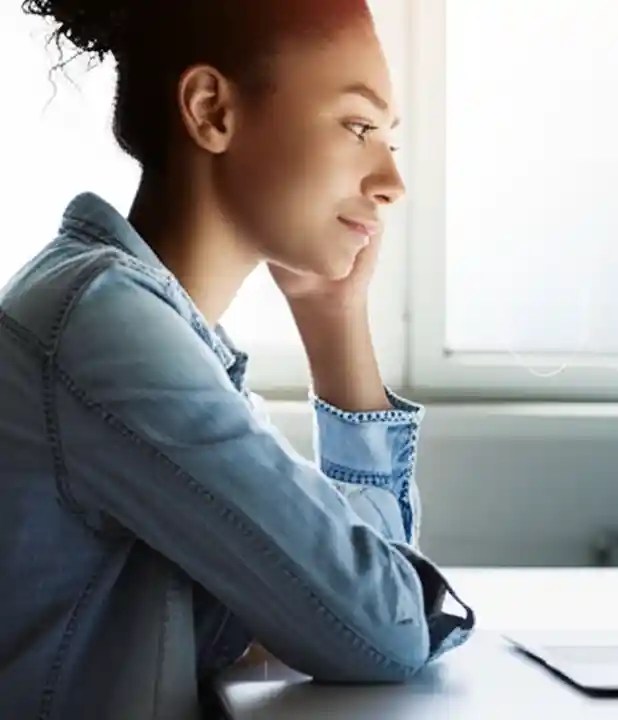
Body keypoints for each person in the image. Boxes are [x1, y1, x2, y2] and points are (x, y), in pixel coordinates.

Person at [0, 1, 473, 718]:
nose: (390, 182)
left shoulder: (146, 326)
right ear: (211, 110)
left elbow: (362, 602)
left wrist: (334, 319)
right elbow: (383, 626)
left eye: (389, 141)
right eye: (357, 127)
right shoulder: (108, 329)